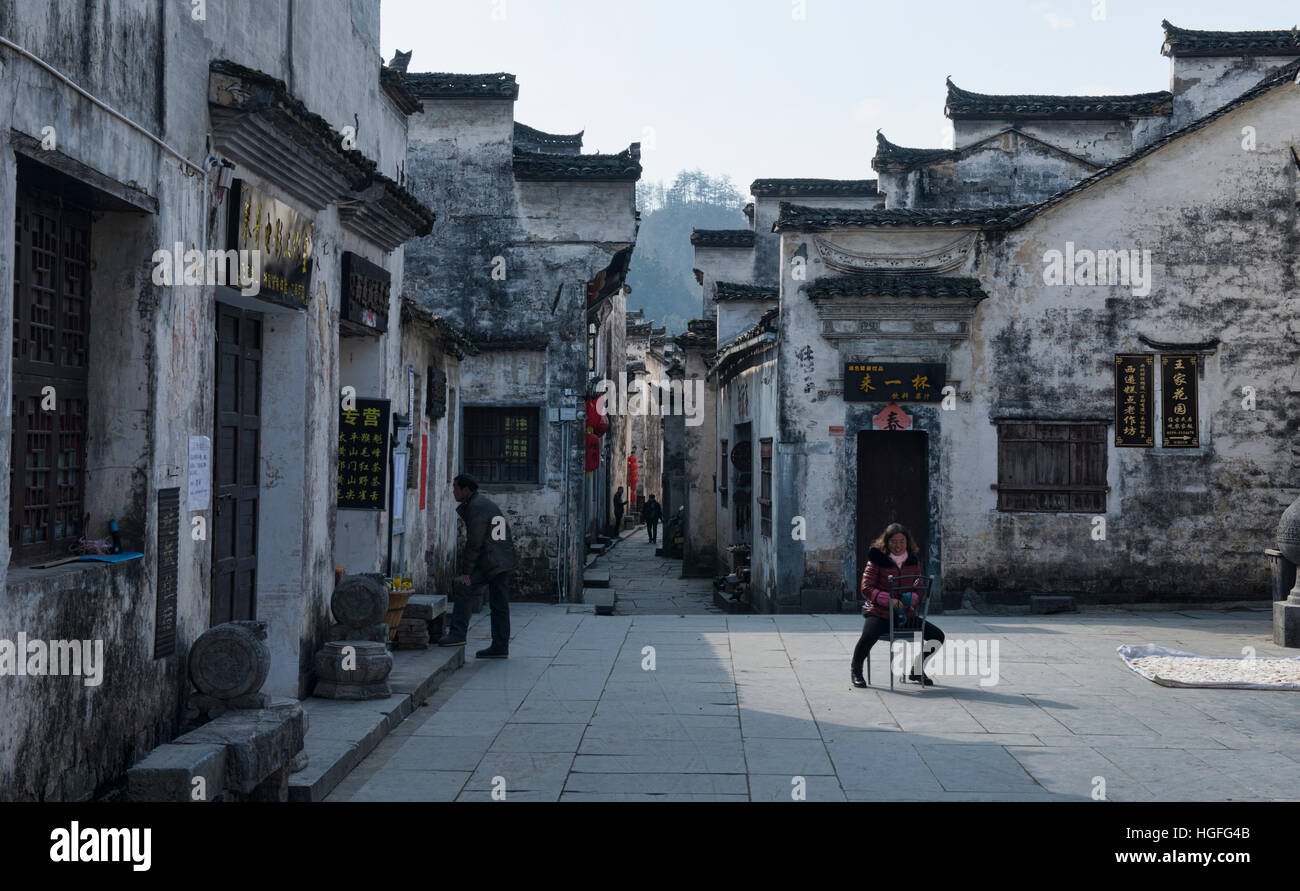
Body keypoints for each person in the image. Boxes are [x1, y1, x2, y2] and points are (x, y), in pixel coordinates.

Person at [851, 522, 945, 688]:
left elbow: (919, 587)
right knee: (867, 637)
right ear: (886, 542)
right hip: (880, 613)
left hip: (905, 615)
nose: (898, 545)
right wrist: (889, 601)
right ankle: (856, 671)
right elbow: (866, 588)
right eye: (894, 541)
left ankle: (916, 671)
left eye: (901, 541)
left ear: (907, 543)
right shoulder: (877, 559)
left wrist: (913, 598)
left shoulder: (913, 561)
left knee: (937, 636)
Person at [438, 473, 519, 659]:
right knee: (499, 604)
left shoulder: (476, 507)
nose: (453, 491)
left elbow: (474, 543)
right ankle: (500, 646)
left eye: (455, 488)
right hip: (499, 558)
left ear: (465, 489)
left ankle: (458, 634)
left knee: (463, 584)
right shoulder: (479, 503)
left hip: (495, 560)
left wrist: (467, 571)